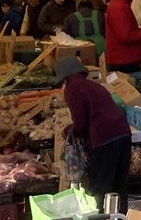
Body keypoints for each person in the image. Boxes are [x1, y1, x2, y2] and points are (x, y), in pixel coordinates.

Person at [55, 57, 131, 211]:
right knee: (118, 186)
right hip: (123, 133)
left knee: (100, 187)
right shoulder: (93, 85)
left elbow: (80, 124)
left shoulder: (72, 88)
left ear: (63, 77)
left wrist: (68, 131)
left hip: (105, 138)